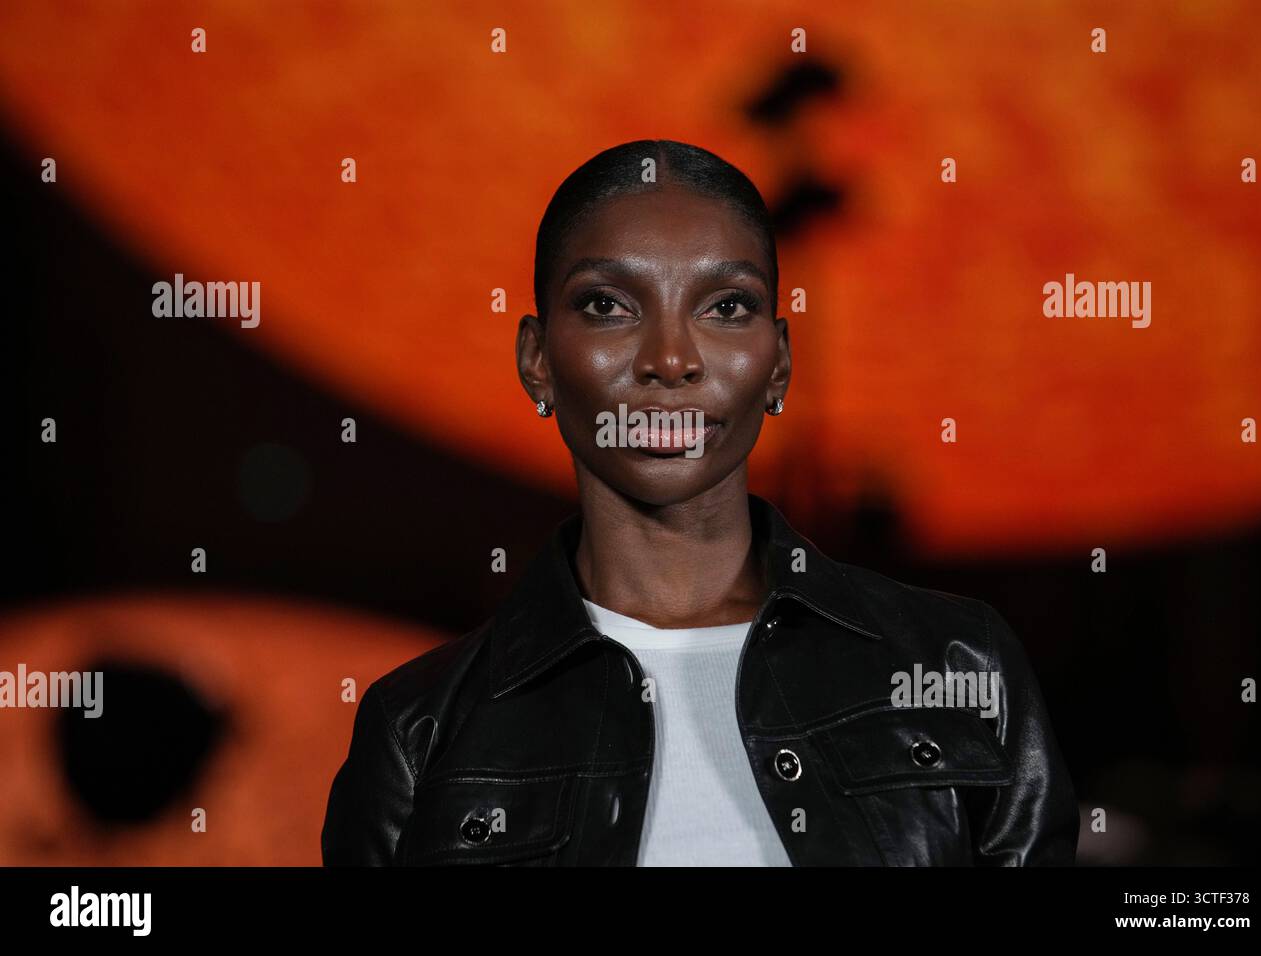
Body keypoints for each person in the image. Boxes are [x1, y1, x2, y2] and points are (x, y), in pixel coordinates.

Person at [321, 139, 1079, 866]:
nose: (672, 359)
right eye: (608, 305)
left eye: (726, 307)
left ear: (779, 364)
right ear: (537, 361)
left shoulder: (956, 663)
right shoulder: (419, 730)